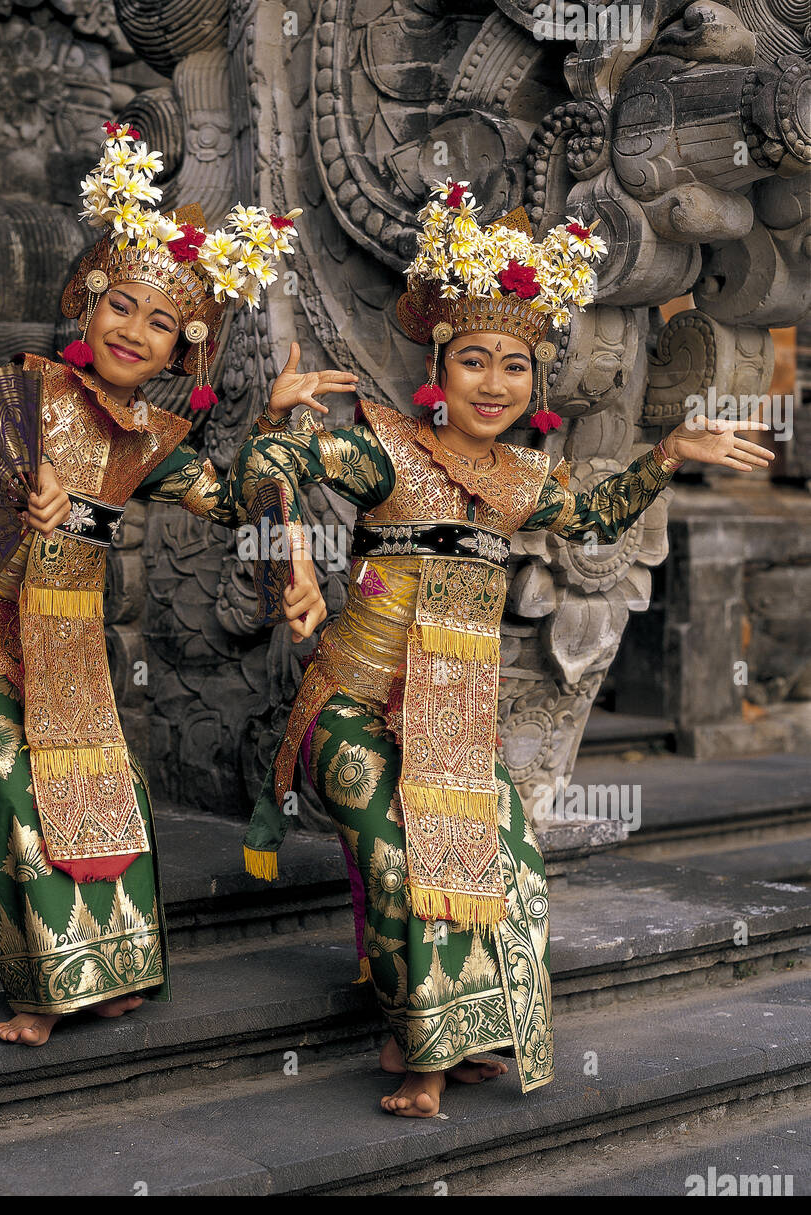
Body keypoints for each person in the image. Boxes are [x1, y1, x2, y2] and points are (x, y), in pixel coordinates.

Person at [233, 181, 774, 1116]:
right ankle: (423, 1058)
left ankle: (475, 1034)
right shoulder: (386, 451)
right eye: (475, 361)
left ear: (535, 384)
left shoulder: (525, 477)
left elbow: (598, 513)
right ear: (440, 367)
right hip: (352, 711)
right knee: (404, 864)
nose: (494, 383)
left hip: (449, 723)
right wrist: (286, 495)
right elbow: (272, 470)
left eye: (515, 367)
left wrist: (672, 452)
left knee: (505, 864)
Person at [0, 124, 343, 1048]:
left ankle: (108, 974)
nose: (134, 333)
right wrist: (23, 467)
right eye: (123, 307)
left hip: (60, 639)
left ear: (184, 350)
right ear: (90, 304)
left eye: (162, 323)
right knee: (16, 788)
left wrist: (273, 428)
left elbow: (233, 506)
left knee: (106, 788)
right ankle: (36, 985)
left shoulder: (150, 443)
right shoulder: (28, 386)